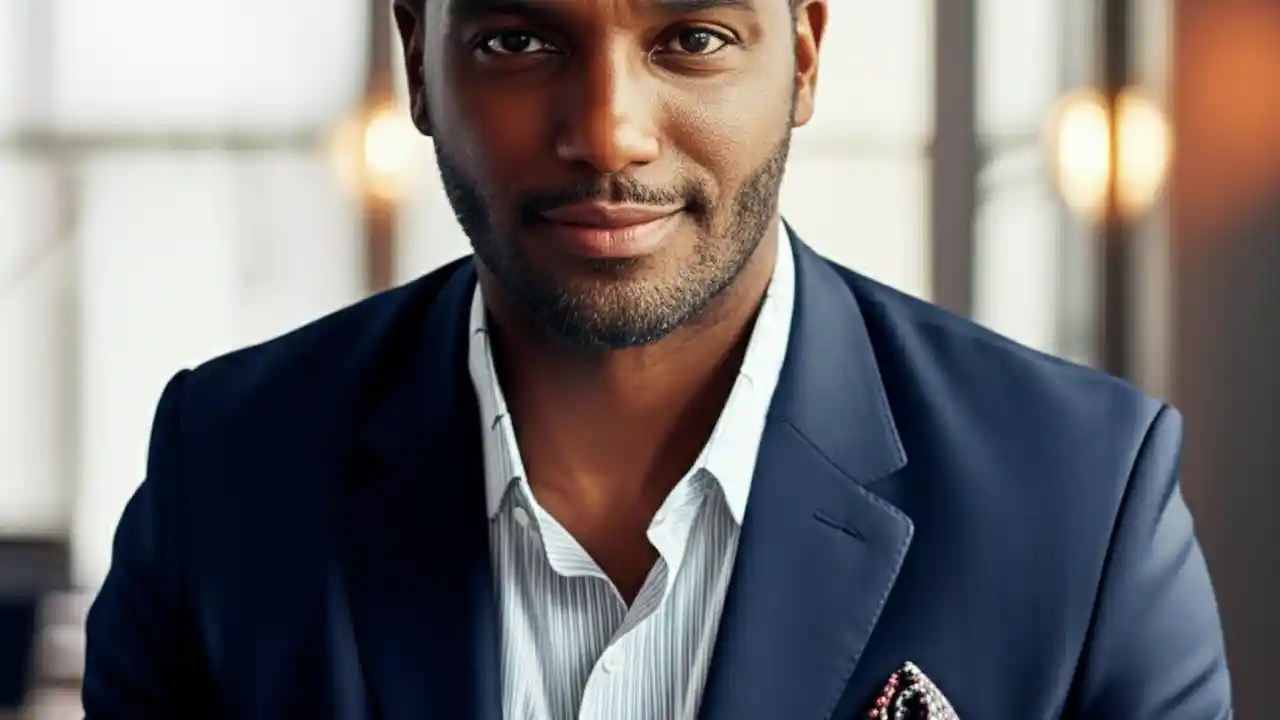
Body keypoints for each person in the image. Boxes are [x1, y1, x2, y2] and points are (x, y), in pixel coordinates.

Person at [82, 0, 1232, 717]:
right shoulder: (227, 469)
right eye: (518, 38)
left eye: (691, 37)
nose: (608, 130)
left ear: (805, 53)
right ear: (419, 63)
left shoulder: (1079, 493)